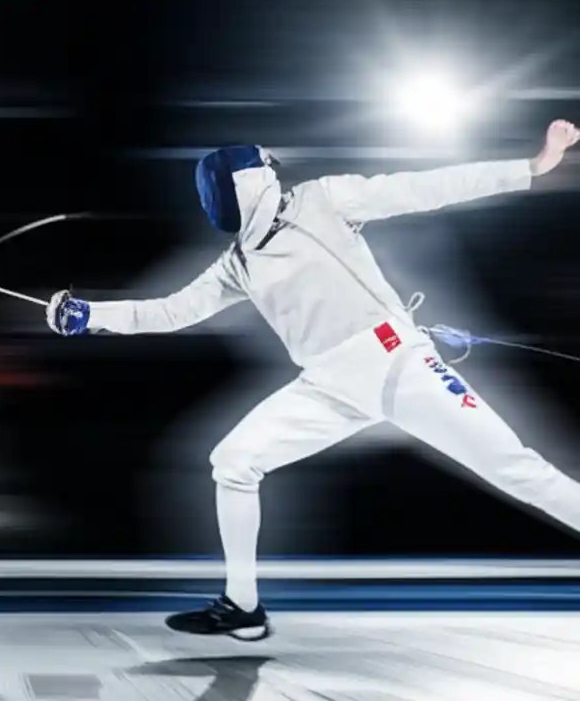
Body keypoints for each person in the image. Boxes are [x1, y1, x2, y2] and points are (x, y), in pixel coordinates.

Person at [47, 120, 580, 640]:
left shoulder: (322, 200)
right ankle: (243, 607)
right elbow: (170, 312)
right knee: (233, 462)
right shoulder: (238, 263)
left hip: (399, 364)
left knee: (519, 471)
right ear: (250, 180)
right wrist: (88, 316)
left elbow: (426, 188)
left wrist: (530, 168)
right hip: (328, 387)